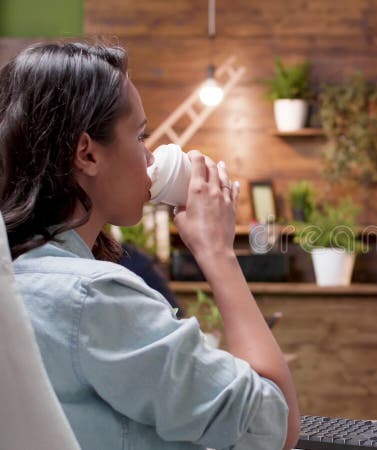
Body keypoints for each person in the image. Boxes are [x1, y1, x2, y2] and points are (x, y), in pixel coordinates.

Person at [0, 42, 299, 449]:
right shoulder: (94, 300)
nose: (148, 157)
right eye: (140, 135)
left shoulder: (17, 276)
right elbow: (272, 425)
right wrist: (218, 253)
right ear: (86, 154)